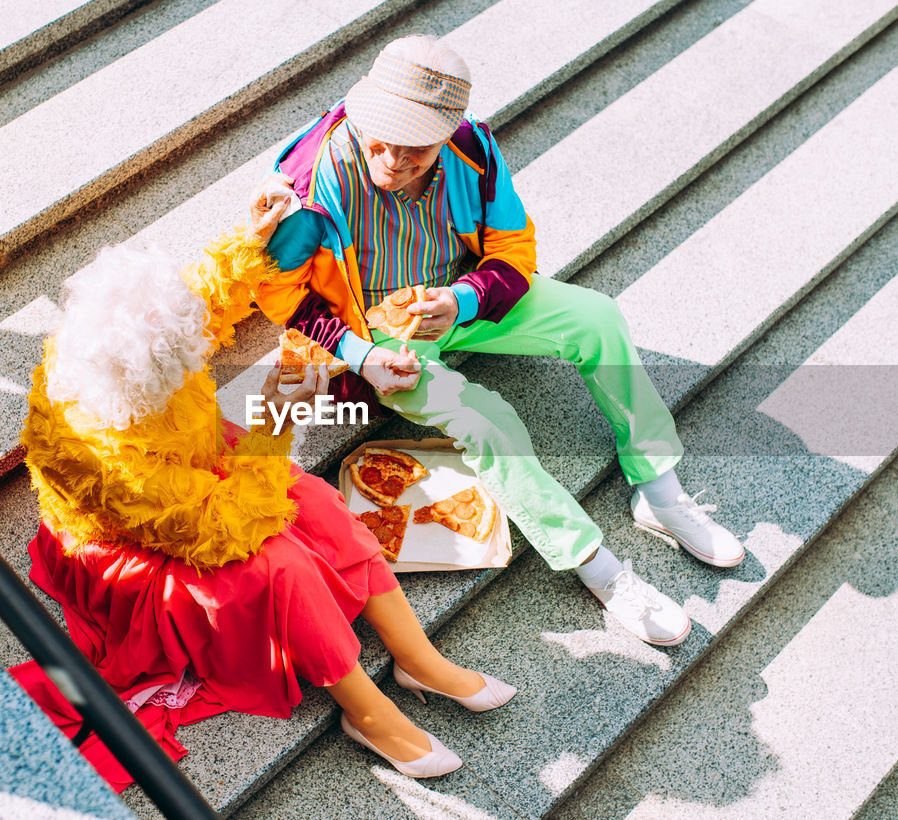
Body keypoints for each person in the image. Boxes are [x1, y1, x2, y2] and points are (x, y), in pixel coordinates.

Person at [10, 189, 514, 787]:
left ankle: (419, 659)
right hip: (143, 540)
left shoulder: (118, 345)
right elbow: (226, 531)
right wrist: (278, 422)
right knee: (280, 565)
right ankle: (366, 712)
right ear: (152, 378)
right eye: (190, 358)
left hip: (194, 474)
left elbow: (203, 296)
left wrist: (252, 237)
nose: (205, 350)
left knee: (321, 502)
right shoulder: (101, 456)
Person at [257, 35, 745, 647]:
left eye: (415, 147)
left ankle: (660, 490)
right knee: (489, 421)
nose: (391, 159)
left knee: (598, 317)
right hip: (375, 332)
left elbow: (514, 249)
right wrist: (364, 356)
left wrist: (460, 300)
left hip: (466, 294)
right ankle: (600, 568)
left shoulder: (474, 147)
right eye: (379, 138)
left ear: (448, 131)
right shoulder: (307, 183)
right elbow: (279, 295)